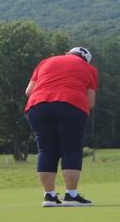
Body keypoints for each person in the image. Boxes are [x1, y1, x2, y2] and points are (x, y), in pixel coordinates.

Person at [24, 46, 99, 207]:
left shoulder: (46, 62)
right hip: (71, 105)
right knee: (70, 149)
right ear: (85, 60)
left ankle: (49, 197)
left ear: (68, 53)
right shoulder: (89, 69)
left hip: (38, 106)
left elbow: (28, 91)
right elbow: (90, 102)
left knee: (46, 150)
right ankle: (71, 196)